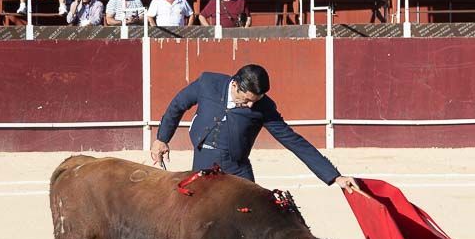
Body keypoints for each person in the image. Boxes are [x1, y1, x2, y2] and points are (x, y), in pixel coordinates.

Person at [151, 63, 362, 194]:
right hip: (203, 159)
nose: (252, 106)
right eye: (247, 100)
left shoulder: (264, 107)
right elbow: (177, 105)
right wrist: (162, 138)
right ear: (235, 85)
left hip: (236, 167)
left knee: (249, 220)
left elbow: (293, 141)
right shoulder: (208, 83)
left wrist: (334, 176)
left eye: (256, 100)